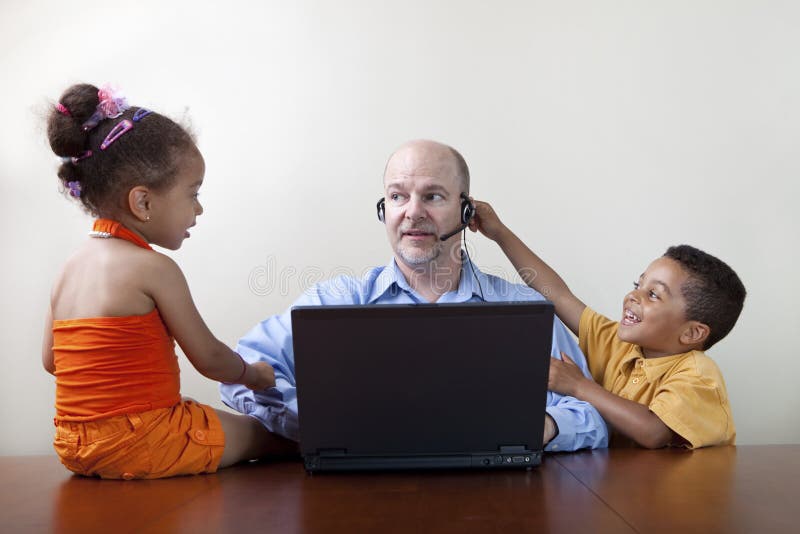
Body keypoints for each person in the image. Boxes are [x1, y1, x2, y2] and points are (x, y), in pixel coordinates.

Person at [221, 139, 608, 451]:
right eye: (398, 196)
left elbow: (594, 414)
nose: (413, 212)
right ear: (384, 208)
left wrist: (543, 426)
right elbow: (240, 374)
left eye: (433, 196)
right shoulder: (333, 302)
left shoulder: (525, 310)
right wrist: (321, 426)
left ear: (467, 211)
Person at [43, 83, 294, 480]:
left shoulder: (68, 269)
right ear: (143, 202)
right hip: (147, 442)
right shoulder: (154, 268)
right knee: (271, 436)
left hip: (74, 446)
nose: (199, 208)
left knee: (192, 412)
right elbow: (209, 358)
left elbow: (52, 362)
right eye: (193, 194)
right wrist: (254, 375)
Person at [470, 200, 745, 449]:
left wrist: (578, 386)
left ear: (692, 332)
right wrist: (499, 233)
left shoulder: (698, 374)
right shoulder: (615, 341)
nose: (633, 296)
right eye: (638, 284)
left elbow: (654, 431)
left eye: (653, 294)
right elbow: (558, 295)